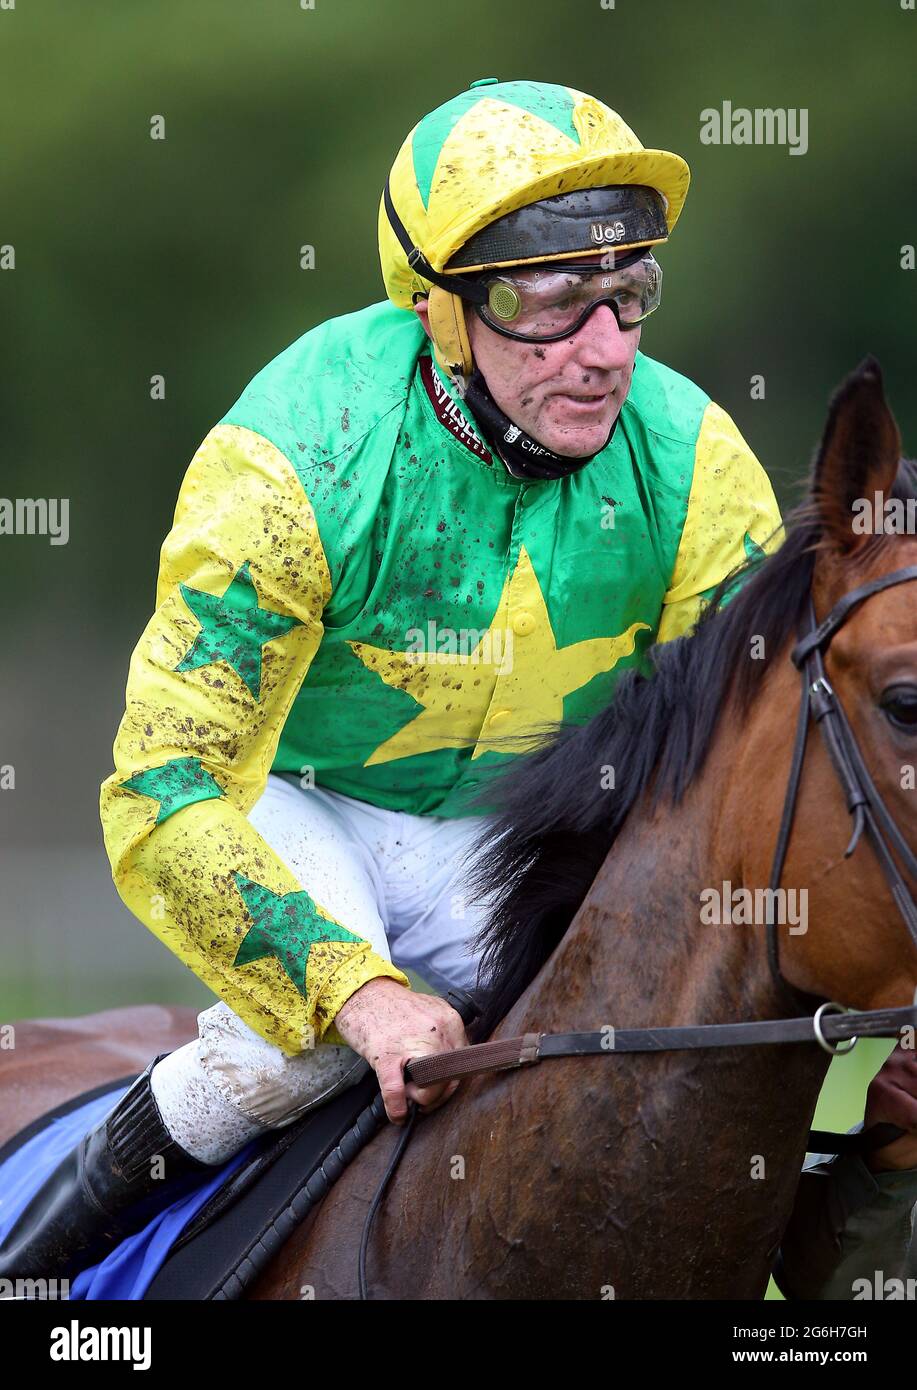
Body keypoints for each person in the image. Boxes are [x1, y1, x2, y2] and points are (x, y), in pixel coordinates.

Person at [2, 77, 914, 1295]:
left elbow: (754, 756)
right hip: (291, 801)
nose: (605, 352)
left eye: (627, 294)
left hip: (521, 829)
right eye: (549, 302)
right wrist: (356, 991)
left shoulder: (692, 461)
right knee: (291, 1061)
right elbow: (163, 785)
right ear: (440, 308)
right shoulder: (298, 454)